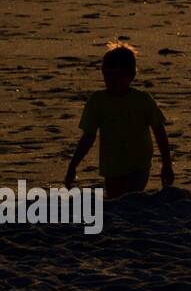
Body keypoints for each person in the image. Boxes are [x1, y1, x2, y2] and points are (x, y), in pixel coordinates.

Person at [66, 43, 174, 199]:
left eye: (117, 75)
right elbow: (88, 136)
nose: (111, 81)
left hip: (139, 163)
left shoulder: (143, 100)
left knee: (131, 199)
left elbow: (159, 131)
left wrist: (167, 165)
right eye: (107, 75)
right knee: (115, 202)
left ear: (131, 75)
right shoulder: (97, 101)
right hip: (112, 166)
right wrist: (73, 166)